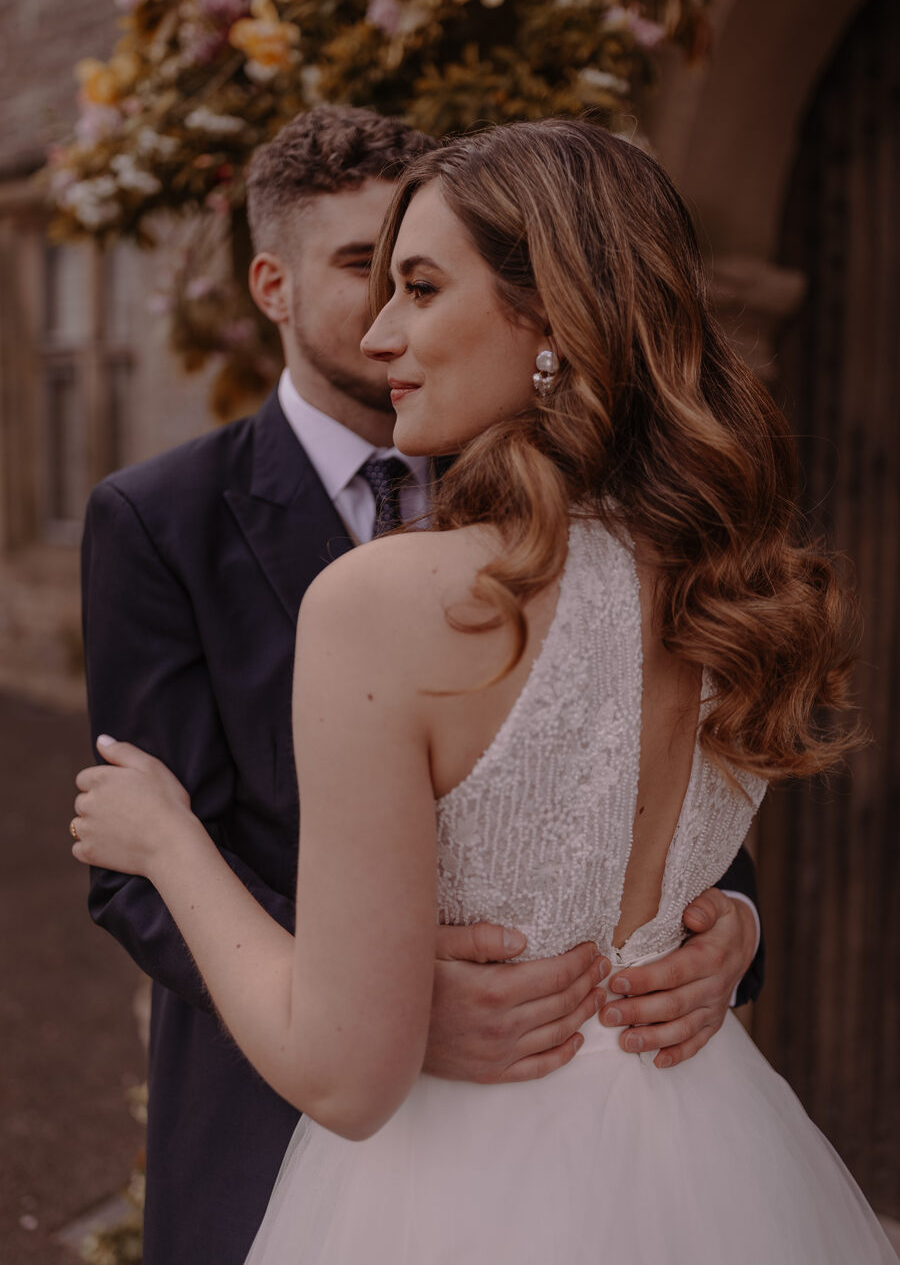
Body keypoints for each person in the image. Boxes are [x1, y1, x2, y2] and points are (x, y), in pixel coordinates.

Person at [74, 112, 785, 1264]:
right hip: (675, 1157)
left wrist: (730, 928)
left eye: (412, 283)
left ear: (548, 314)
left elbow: (638, 822)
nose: (381, 328)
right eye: (365, 275)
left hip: (452, 1158)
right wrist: (398, 994)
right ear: (274, 285)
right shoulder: (729, 564)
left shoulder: (391, 592)